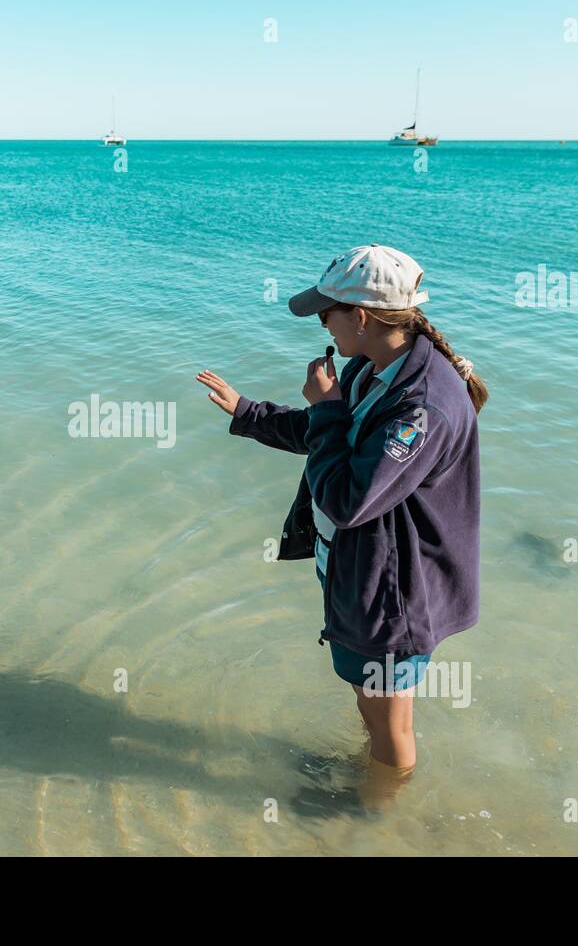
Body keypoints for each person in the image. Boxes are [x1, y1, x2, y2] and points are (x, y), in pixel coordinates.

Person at [195, 243, 486, 808]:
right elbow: (328, 437)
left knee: (392, 723)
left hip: (394, 594)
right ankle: (369, 771)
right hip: (361, 572)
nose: (320, 323)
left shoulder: (423, 406)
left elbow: (352, 498)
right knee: (371, 702)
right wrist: (249, 412)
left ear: (361, 317)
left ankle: (371, 817)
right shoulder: (372, 369)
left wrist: (327, 408)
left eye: (326, 312)